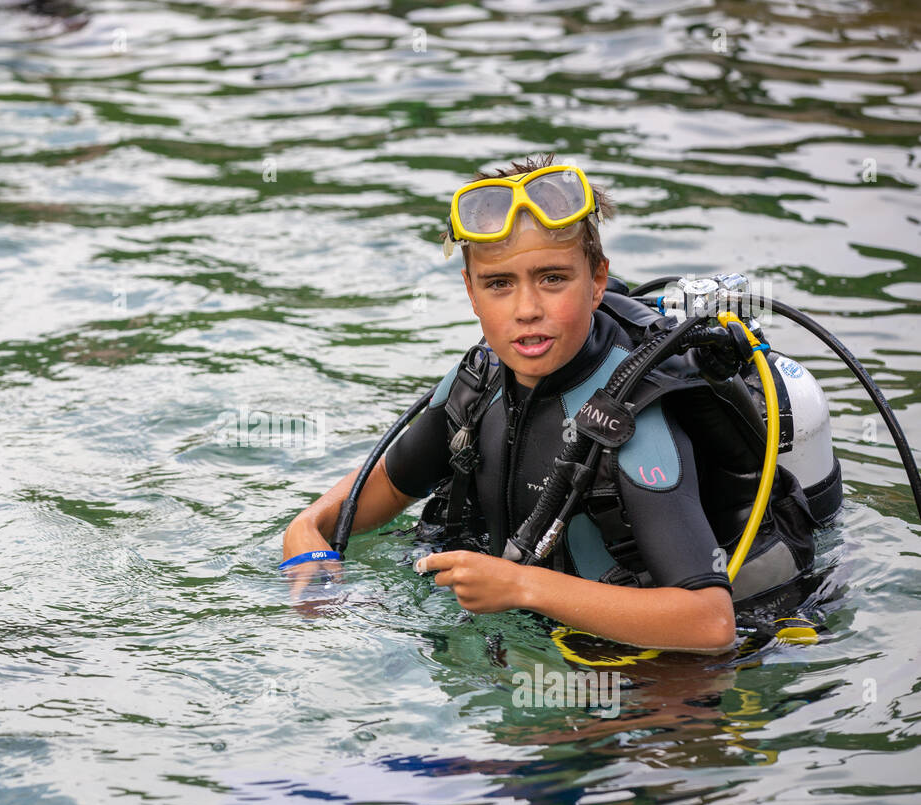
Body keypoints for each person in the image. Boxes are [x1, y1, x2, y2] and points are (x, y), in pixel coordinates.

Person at [281, 154, 824, 654]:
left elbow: (709, 624)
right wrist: (305, 530)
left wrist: (520, 585)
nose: (527, 309)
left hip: (675, 664)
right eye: (499, 284)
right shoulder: (476, 384)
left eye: (553, 278)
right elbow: (377, 489)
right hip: (541, 637)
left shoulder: (636, 419)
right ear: (470, 293)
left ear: (597, 281)